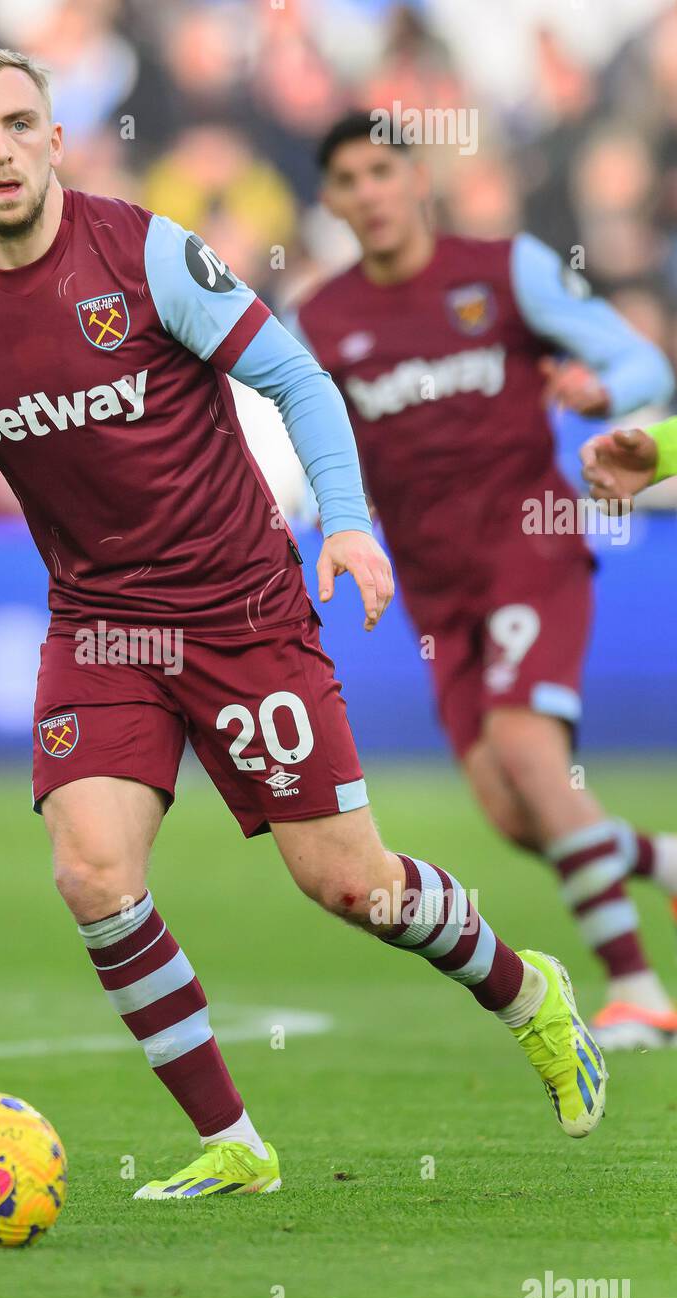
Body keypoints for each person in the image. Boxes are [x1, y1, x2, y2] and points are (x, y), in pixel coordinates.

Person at [0, 51, 606, 1200]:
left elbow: (299, 381)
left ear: (56, 140)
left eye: (20, 124)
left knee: (352, 886)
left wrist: (347, 524)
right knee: (92, 874)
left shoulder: (144, 255)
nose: (0, 149)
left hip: (240, 610)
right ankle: (234, 1142)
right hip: (99, 625)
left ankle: (526, 992)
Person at [293, 111, 677, 1050]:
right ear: (331, 200)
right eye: (348, 180)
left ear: (416, 177)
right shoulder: (322, 319)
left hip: (528, 547)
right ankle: (660, 860)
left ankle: (638, 989)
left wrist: (606, 392)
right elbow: (305, 438)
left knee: (529, 751)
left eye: (383, 171)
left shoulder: (506, 269)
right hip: (434, 587)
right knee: (511, 810)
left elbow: (639, 359)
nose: (369, 193)